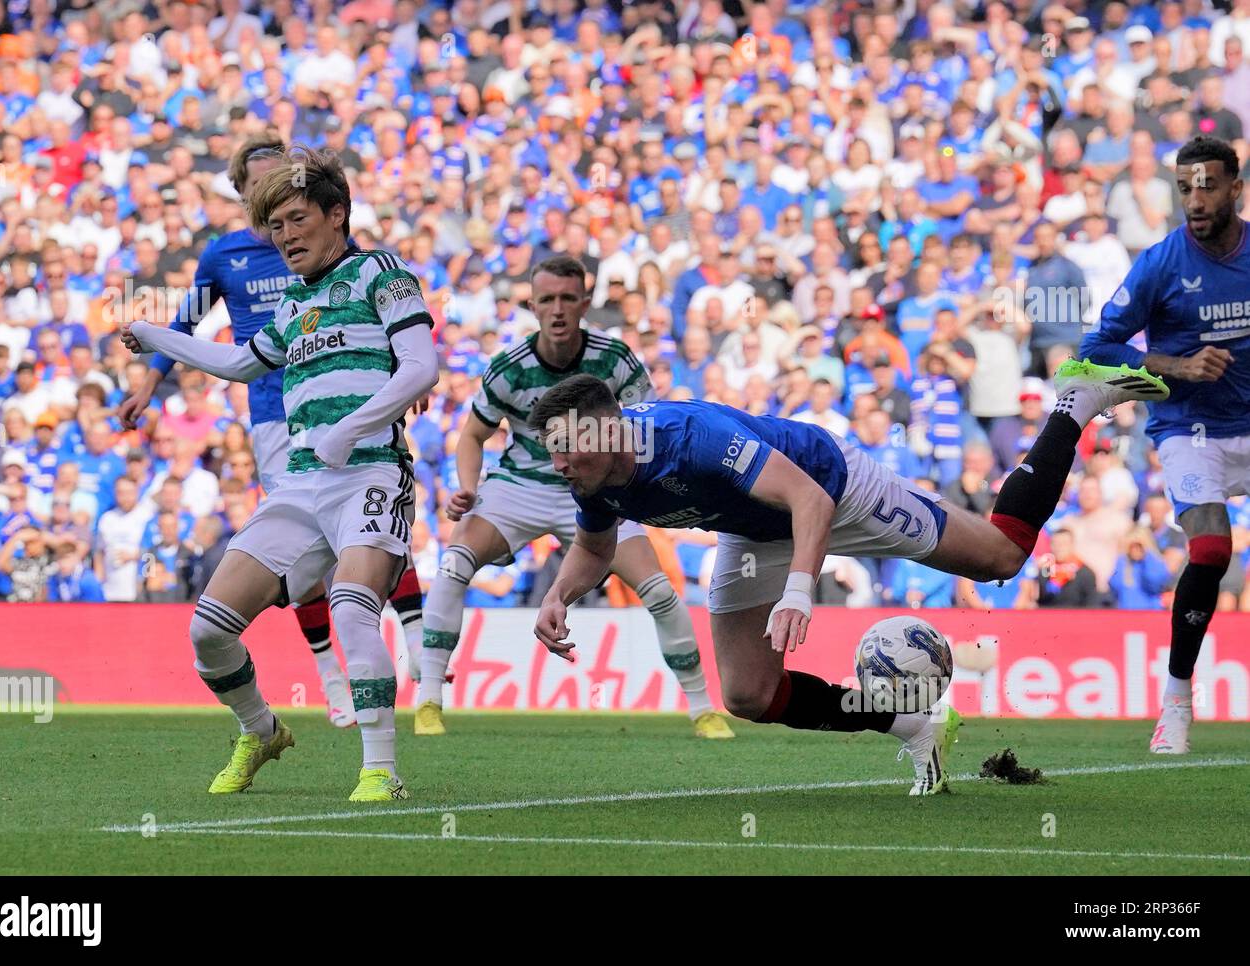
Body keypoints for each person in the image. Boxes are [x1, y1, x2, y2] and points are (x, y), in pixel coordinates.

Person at [526, 358, 1166, 795]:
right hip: (755, 531)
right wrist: (559, 593)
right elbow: (594, 545)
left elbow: (809, 501)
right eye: (551, 449)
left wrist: (800, 591)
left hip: (833, 487)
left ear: (608, 429)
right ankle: (917, 725)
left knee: (1001, 557)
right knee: (747, 693)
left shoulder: (689, 437)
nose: (557, 464)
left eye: (565, 446)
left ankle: (1074, 405)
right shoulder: (593, 474)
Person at [121, 145, 439, 803]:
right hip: (300, 483)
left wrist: (350, 429)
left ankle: (381, 769)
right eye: (276, 226)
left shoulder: (382, 271)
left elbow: (419, 368)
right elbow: (241, 362)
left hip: (371, 472)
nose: (285, 235)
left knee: (352, 609)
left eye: (297, 219)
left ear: (336, 214)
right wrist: (158, 336)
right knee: (208, 628)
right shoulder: (294, 303)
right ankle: (260, 728)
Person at [415, 255, 733, 740]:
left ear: (585, 303)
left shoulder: (616, 359)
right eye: (547, 299)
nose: (558, 309)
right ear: (533, 305)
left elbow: (645, 425)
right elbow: (472, 436)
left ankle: (702, 708)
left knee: (660, 591)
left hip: (598, 491)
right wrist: (467, 486)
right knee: (454, 563)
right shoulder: (509, 367)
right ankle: (429, 700)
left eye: (568, 298)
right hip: (521, 487)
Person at [1078, 135, 1248, 754]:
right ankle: (1177, 700)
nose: (1195, 200)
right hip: (1191, 431)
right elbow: (1094, 349)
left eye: (1207, 185)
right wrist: (1176, 366)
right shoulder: (1160, 263)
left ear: (1235, 188)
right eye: (1184, 188)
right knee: (1208, 549)